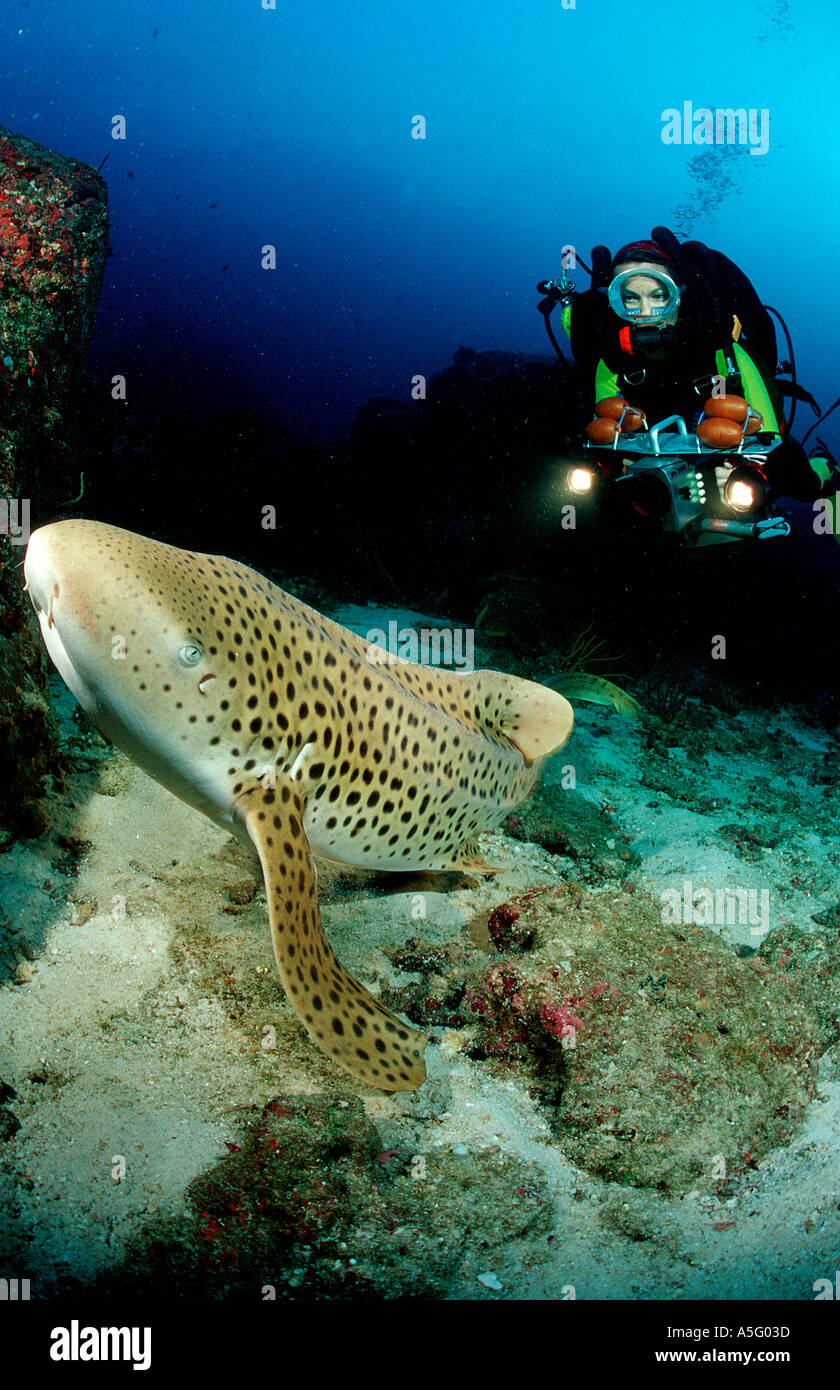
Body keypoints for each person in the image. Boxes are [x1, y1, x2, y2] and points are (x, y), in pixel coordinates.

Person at [560, 225, 838, 505]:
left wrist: (748, 469)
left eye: (659, 296)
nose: (644, 313)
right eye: (630, 298)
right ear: (614, 302)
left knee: (805, 489)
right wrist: (614, 460)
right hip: (659, 428)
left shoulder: (716, 346)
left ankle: (823, 468)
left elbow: (769, 437)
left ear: (677, 296)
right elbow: (604, 427)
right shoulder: (613, 358)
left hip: (721, 424)